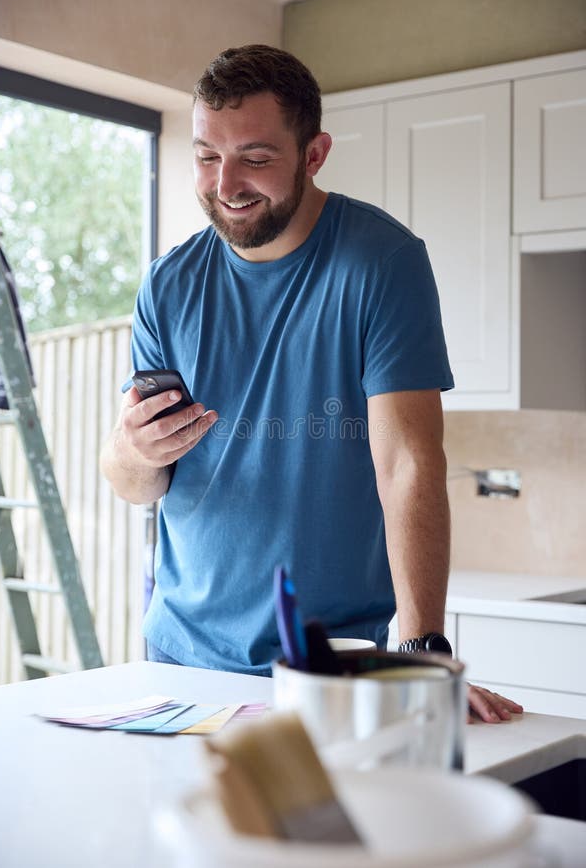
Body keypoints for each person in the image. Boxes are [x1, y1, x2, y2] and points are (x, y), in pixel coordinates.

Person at [101, 44, 522, 724]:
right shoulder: (167, 284)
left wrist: (422, 651)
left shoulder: (381, 262)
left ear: (314, 153)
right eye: (207, 156)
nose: (226, 181)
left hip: (330, 666)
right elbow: (135, 483)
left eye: (256, 158)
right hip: (178, 662)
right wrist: (131, 451)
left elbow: (408, 463)